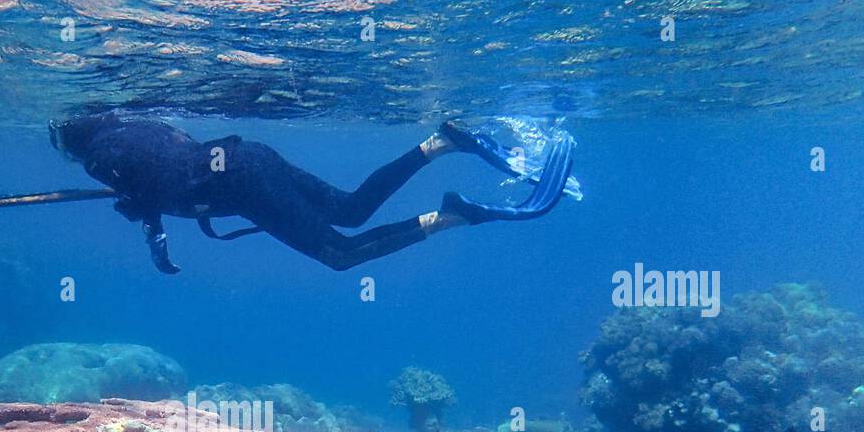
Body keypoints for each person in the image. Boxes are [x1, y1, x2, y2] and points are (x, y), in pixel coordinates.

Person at [48, 112, 576, 274]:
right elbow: (170, 160)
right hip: (248, 154)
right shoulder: (134, 123)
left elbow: (151, 191)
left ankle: (454, 216)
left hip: (236, 181)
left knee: (340, 254)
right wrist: (147, 209)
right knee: (351, 208)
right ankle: (440, 144)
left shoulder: (98, 157)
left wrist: (150, 231)